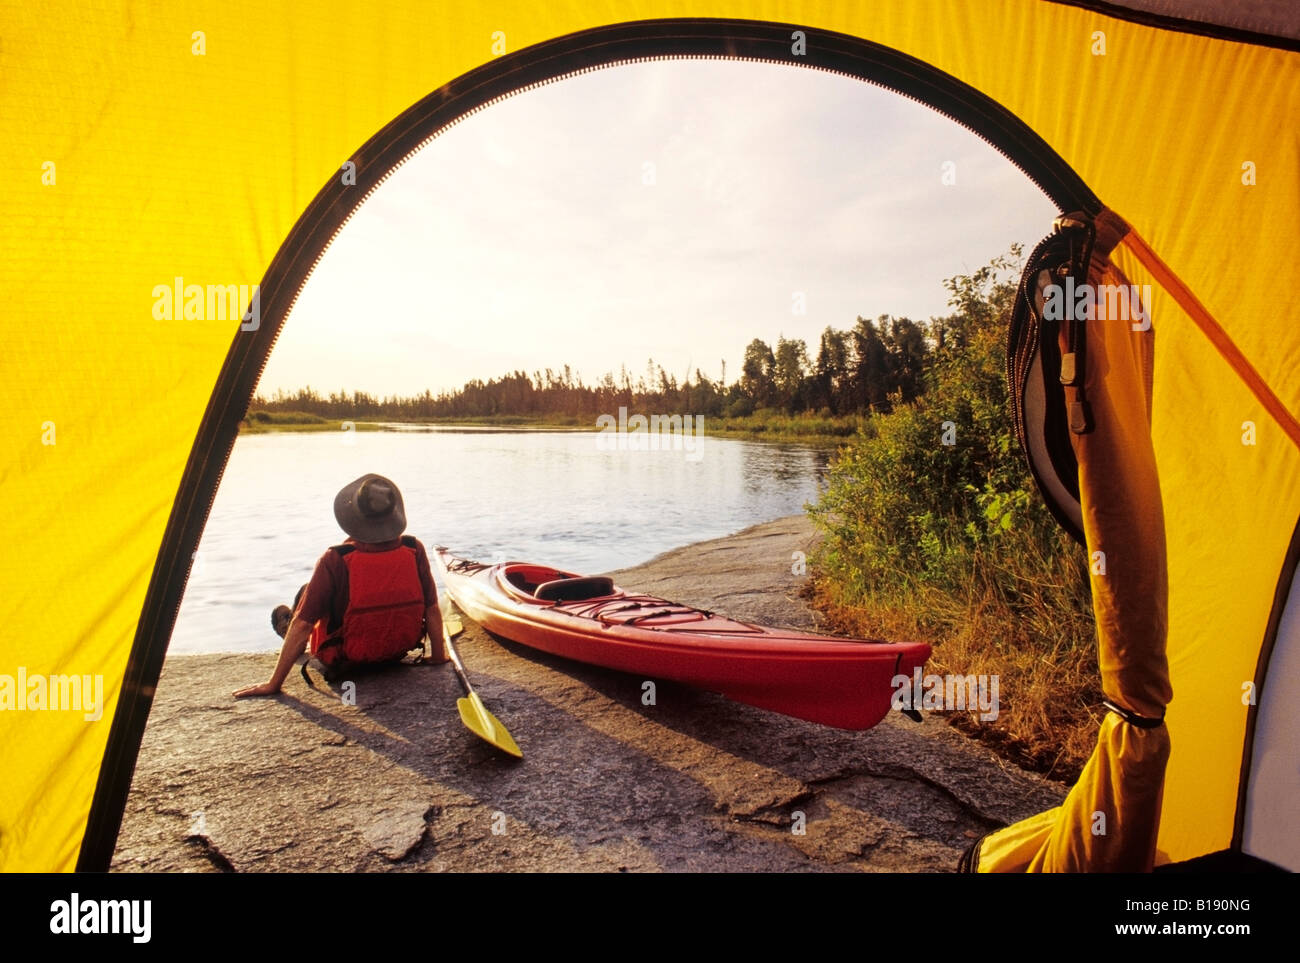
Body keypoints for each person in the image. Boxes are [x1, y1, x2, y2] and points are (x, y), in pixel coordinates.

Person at [234, 473, 446, 698]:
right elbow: (431, 608)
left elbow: (303, 624)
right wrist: (439, 656)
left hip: (346, 659)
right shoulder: (414, 548)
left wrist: (273, 684)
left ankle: (289, 633)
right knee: (317, 591)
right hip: (397, 651)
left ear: (354, 517)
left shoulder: (335, 558)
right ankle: (294, 633)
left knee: (306, 593)